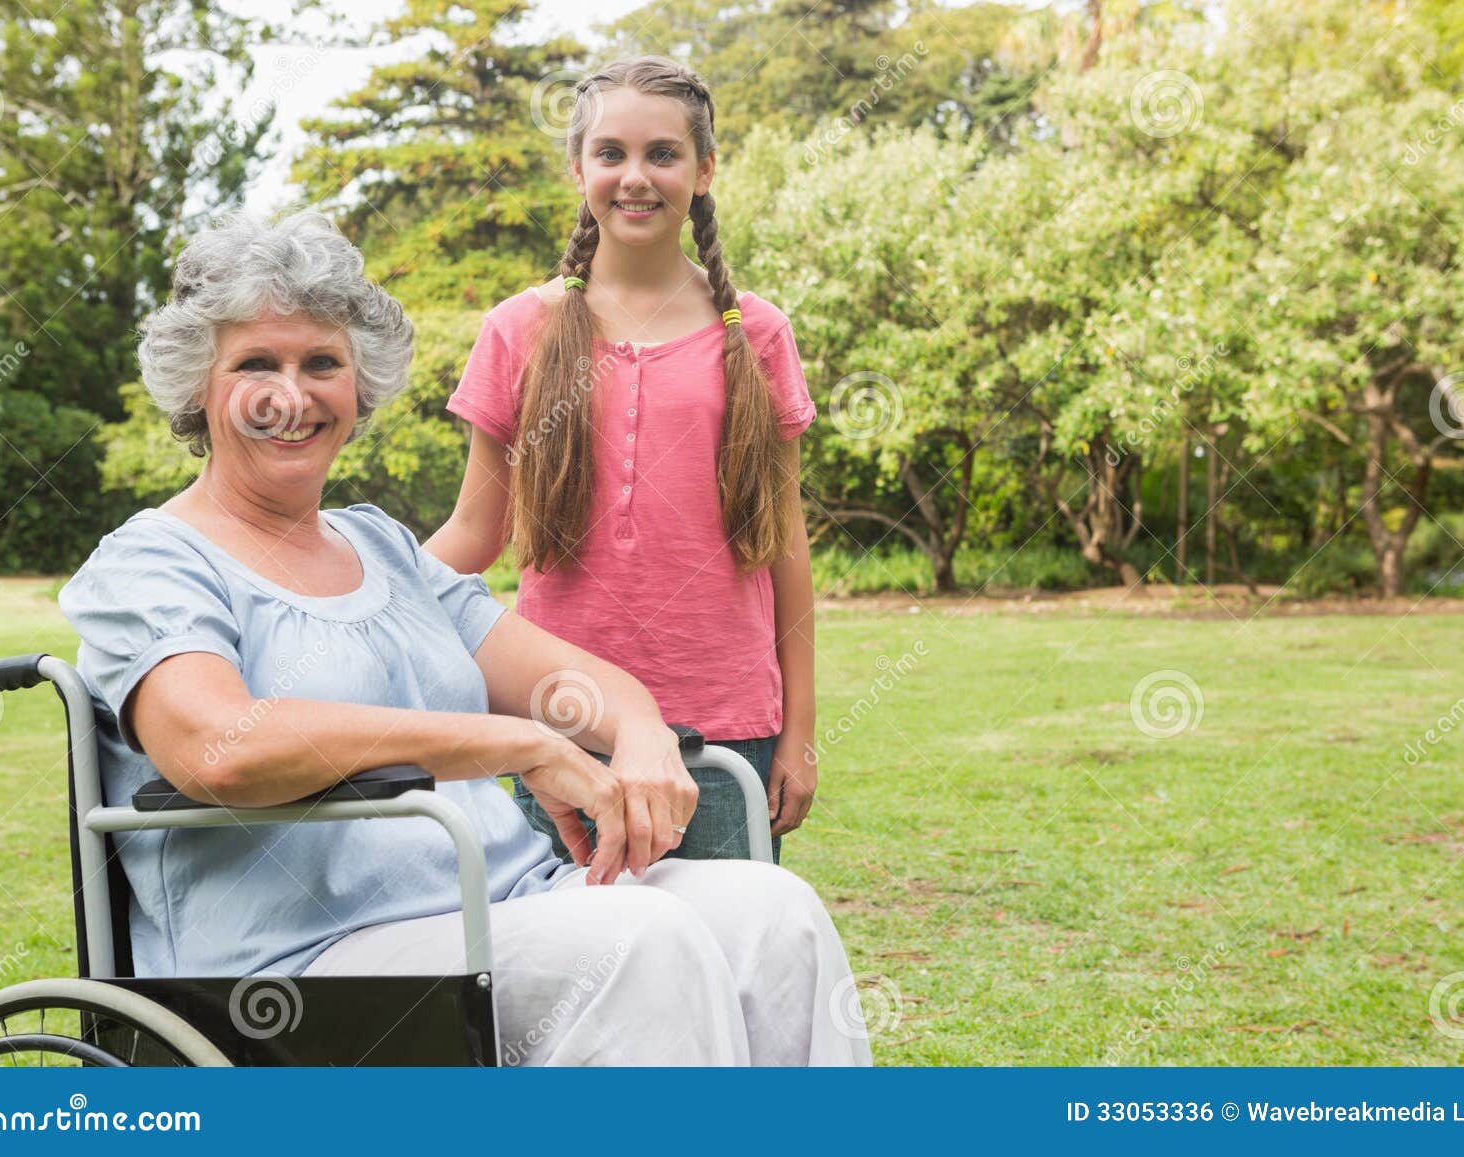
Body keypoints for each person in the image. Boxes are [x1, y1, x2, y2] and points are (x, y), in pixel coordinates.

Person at [58, 209, 871, 1066]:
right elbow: (217, 746)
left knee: (773, 914)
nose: (291, 396)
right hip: (294, 966)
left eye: (322, 363)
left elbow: (573, 682)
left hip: (502, 903)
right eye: (255, 363)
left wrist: (636, 729)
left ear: (359, 384)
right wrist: (508, 743)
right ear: (198, 386)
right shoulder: (153, 560)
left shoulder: (383, 548)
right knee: (639, 937)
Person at [428, 57, 817, 865]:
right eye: (611, 154)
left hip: (726, 730)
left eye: (663, 154)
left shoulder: (758, 335)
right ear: (578, 169)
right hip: (561, 724)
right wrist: (357, 585)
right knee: (570, 966)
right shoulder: (517, 330)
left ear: (704, 170)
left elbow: (784, 544)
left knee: (721, 964)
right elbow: (475, 530)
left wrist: (801, 733)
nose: (635, 177)